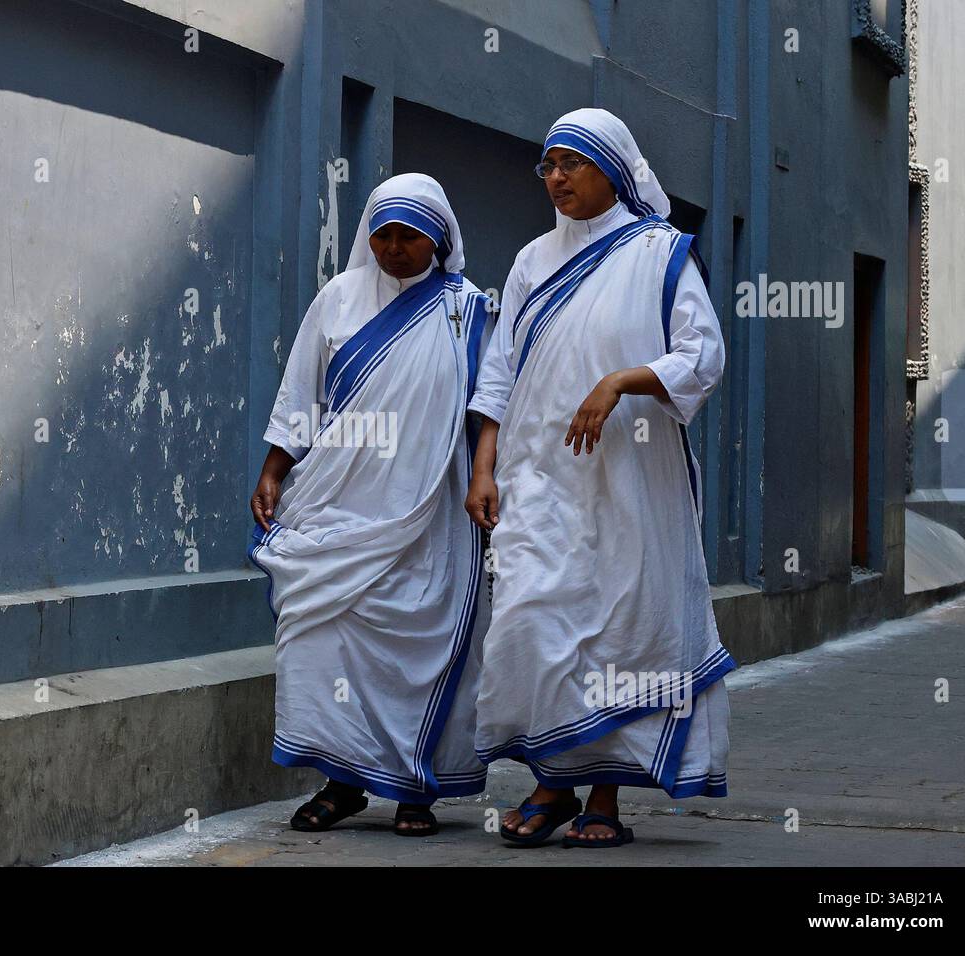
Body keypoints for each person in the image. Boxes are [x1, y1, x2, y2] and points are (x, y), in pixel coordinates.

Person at [466, 108, 734, 848]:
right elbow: (500, 373)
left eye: (570, 164)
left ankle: (602, 799)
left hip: (629, 480)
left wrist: (621, 379)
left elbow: (703, 355)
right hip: (537, 476)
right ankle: (552, 782)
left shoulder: (661, 253)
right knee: (531, 618)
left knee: (617, 627)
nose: (555, 179)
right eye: (547, 165)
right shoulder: (530, 260)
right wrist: (483, 467)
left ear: (612, 169)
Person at [249, 173, 496, 836]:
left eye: (408, 236)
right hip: (340, 499)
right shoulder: (339, 298)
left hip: (431, 508)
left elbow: (489, 408)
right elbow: (301, 391)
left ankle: (417, 786)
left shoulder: (467, 308)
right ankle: (341, 782)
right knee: (327, 634)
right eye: (381, 234)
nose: (392, 248)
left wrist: (490, 483)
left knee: (423, 642)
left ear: (438, 238)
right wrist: (274, 471)